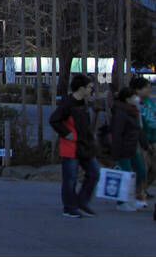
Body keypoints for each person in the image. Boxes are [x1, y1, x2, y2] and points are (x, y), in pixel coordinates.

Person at [50, 74, 99, 219]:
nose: (91, 90)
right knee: (70, 179)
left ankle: (81, 201)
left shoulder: (83, 103)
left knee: (94, 173)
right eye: (90, 87)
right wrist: (66, 133)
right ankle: (70, 207)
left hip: (85, 146)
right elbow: (54, 120)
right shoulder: (68, 104)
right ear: (81, 88)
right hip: (71, 147)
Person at [109, 85, 146, 211]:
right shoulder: (120, 113)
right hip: (123, 149)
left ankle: (131, 198)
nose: (137, 98)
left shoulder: (133, 111)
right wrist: (116, 152)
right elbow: (117, 133)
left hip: (132, 147)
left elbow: (138, 130)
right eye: (133, 96)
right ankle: (121, 202)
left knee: (141, 171)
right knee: (125, 176)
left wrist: (144, 144)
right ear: (127, 99)